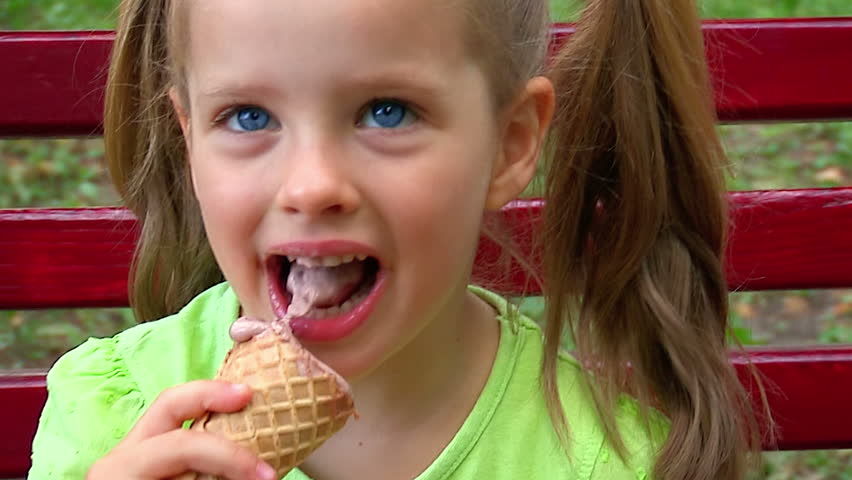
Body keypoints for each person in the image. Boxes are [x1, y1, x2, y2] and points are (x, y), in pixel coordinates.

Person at [28, 0, 766, 478]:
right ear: (190, 143)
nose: (312, 185)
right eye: (249, 117)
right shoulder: (111, 419)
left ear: (509, 144)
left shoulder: (607, 463)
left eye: (386, 112)